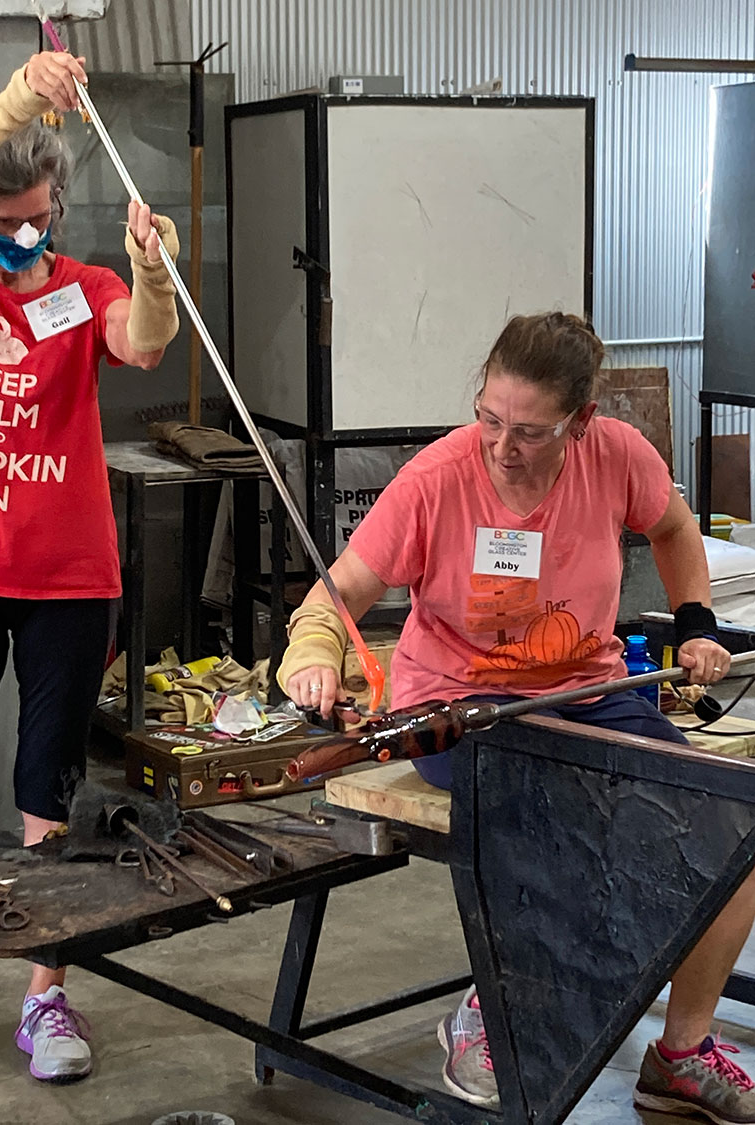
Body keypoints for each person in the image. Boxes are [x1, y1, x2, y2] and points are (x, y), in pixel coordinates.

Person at [277, 312, 755, 1124]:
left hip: (588, 692)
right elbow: (340, 591)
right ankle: (490, 1012)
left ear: (582, 420)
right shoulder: (438, 478)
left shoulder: (616, 457)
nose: (503, 445)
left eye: (530, 431)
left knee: (732, 822)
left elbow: (673, 525)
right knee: (555, 819)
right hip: (461, 709)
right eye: (490, 419)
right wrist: (313, 653)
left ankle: (679, 1052)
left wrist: (698, 618)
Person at [0, 50, 180, 1082]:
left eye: (37, 214)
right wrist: (16, 98)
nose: (22, 232)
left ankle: (46, 1002)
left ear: (59, 202)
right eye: (3, 214)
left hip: (67, 579)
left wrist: (152, 269)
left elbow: (144, 343)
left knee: (48, 792)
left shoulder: (85, 284)